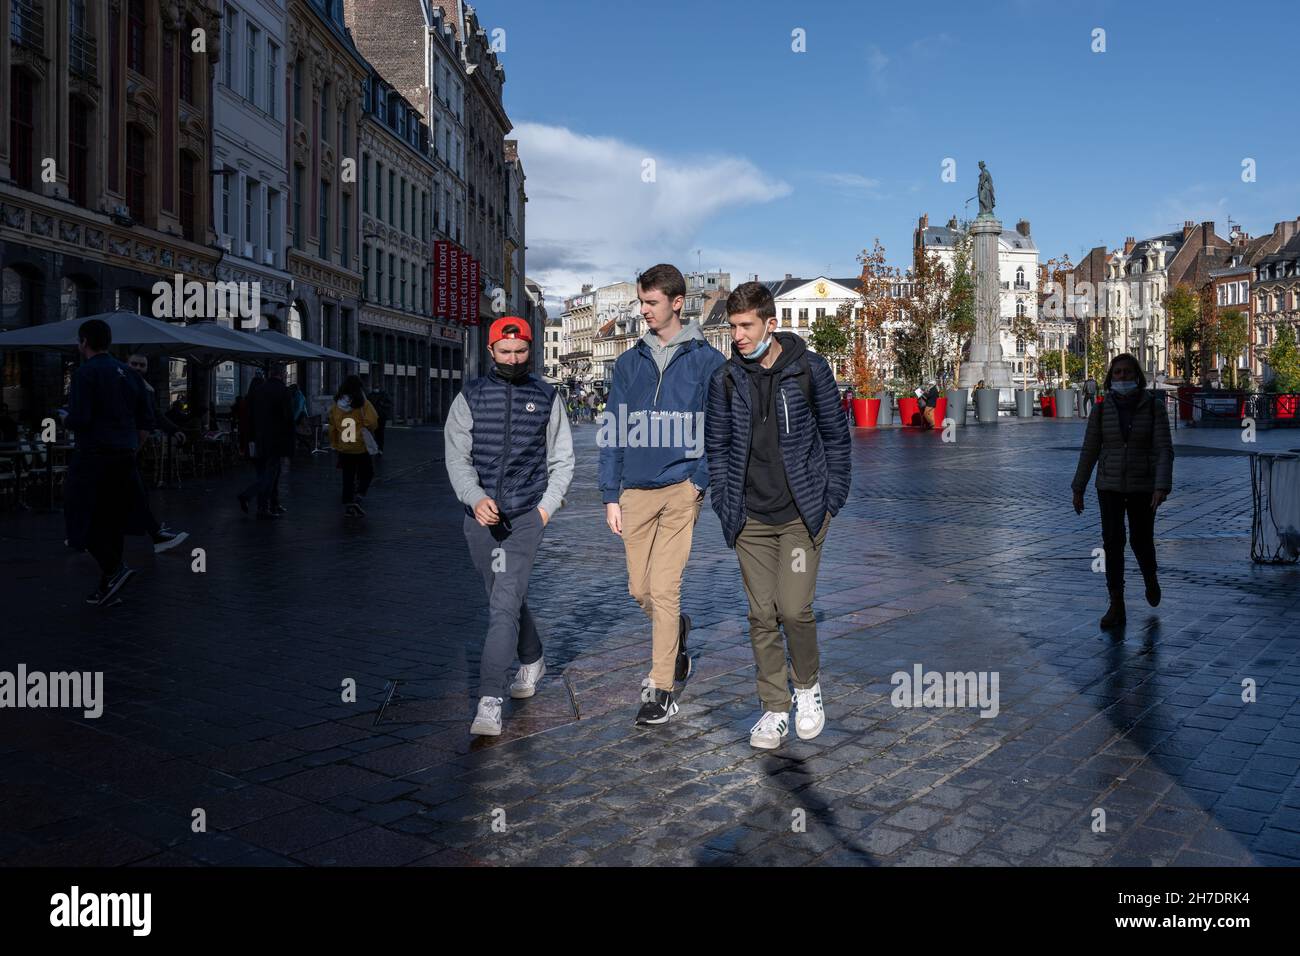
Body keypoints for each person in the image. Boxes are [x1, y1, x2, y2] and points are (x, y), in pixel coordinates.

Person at [706, 282, 851, 749]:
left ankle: (807, 689)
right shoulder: (725, 379)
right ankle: (773, 708)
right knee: (760, 614)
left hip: (800, 516)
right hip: (750, 520)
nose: (738, 335)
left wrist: (831, 498)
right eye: (733, 326)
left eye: (746, 326)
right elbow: (717, 446)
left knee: (793, 608)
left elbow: (835, 436)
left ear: (771, 324)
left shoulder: (810, 369)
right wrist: (726, 503)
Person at [599, 263, 726, 726]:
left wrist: (700, 479)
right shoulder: (629, 362)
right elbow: (612, 428)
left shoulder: (708, 360)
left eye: (651, 302)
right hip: (634, 490)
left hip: (680, 489)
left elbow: (721, 427)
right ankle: (677, 634)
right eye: (641, 302)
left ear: (677, 303)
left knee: (665, 588)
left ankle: (661, 689)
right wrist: (610, 493)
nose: (644, 311)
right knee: (640, 589)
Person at [445, 317, 574, 737]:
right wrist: (474, 497)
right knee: (503, 596)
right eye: (506, 352)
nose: (514, 359)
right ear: (491, 351)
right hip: (479, 520)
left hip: (524, 518)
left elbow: (562, 460)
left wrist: (545, 509)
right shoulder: (470, 397)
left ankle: (489, 700)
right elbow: (457, 458)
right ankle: (533, 657)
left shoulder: (547, 396)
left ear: (530, 351)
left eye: (521, 353)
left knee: (502, 605)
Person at [1071, 354, 1173, 629]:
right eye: (1117, 373)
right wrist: (1078, 487)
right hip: (1110, 486)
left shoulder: (1153, 408)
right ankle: (1117, 604)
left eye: (1128, 373)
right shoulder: (1102, 409)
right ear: (1110, 377)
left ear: (1137, 376)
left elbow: (1163, 449)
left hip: (1142, 485)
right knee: (1112, 543)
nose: (1123, 377)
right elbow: (1090, 449)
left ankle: (1150, 578)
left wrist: (1161, 486)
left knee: (1141, 540)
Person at [62, 319, 154, 606]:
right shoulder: (130, 375)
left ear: (84, 342)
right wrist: (132, 449)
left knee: (79, 515)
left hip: (93, 455)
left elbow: (80, 418)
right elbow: (145, 422)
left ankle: (114, 570)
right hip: (124, 455)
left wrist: (64, 418)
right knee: (112, 518)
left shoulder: (85, 374)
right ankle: (108, 583)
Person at [124, 354, 188, 553]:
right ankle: (155, 535)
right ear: (126, 365)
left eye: (141, 365)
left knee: (132, 492)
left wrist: (173, 429)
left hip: (129, 447)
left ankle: (82, 535)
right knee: (134, 492)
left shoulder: (147, 390)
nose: (137, 368)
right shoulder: (120, 386)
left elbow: (155, 414)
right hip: (121, 446)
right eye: (133, 364)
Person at [237, 364, 293, 519]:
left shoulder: (258, 391)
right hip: (276, 440)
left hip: (259, 439)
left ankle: (267, 506)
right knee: (270, 475)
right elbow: (288, 419)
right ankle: (248, 496)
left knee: (266, 473)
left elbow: (251, 418)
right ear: (282, 374)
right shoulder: (283, 391)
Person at [328, 375, 379, 517]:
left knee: (348, 476)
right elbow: (372, 421)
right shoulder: (363, 403)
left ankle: (348, 503)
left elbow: (332, 426)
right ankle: (359, 495)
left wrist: (334, 443)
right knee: (367, 473)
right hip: (360, 445)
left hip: (344, 446)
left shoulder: (336, 405)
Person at [368, 382, 393, 452]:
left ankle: (380, 448)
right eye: (375, 387)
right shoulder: (370, 395)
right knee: (375, 432)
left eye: (377, 387)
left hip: (381, 416)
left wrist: (383, 405)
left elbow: (389, 404)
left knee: (380, 432)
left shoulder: (384, 395)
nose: (376, 389)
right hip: (373, 417)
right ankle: (376, 446)